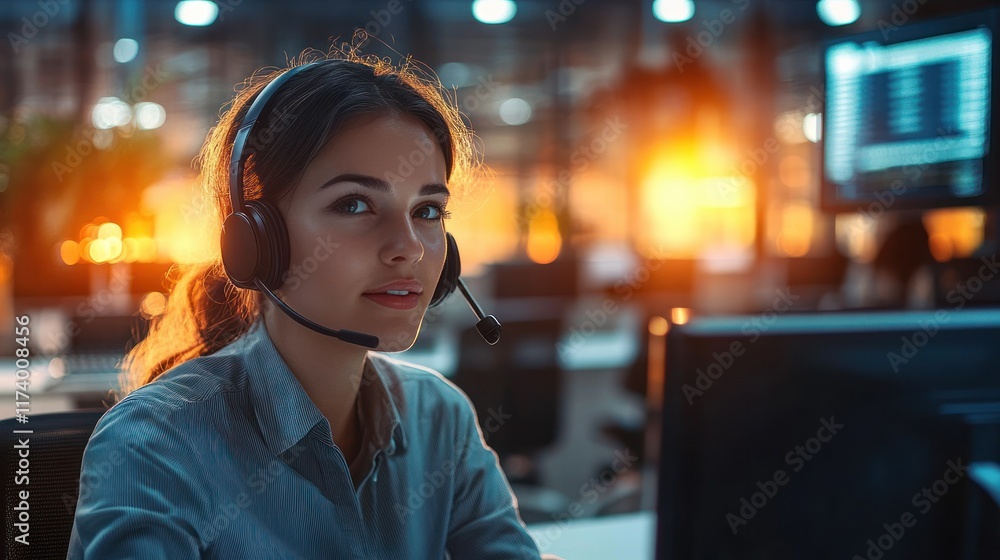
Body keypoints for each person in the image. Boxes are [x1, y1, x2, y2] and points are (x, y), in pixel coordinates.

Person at [67, 49, 559, 559]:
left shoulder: (439, 417)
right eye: (354, 204)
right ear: (258, 241)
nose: (409, 247)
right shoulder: (155, 444)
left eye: (428, 210)